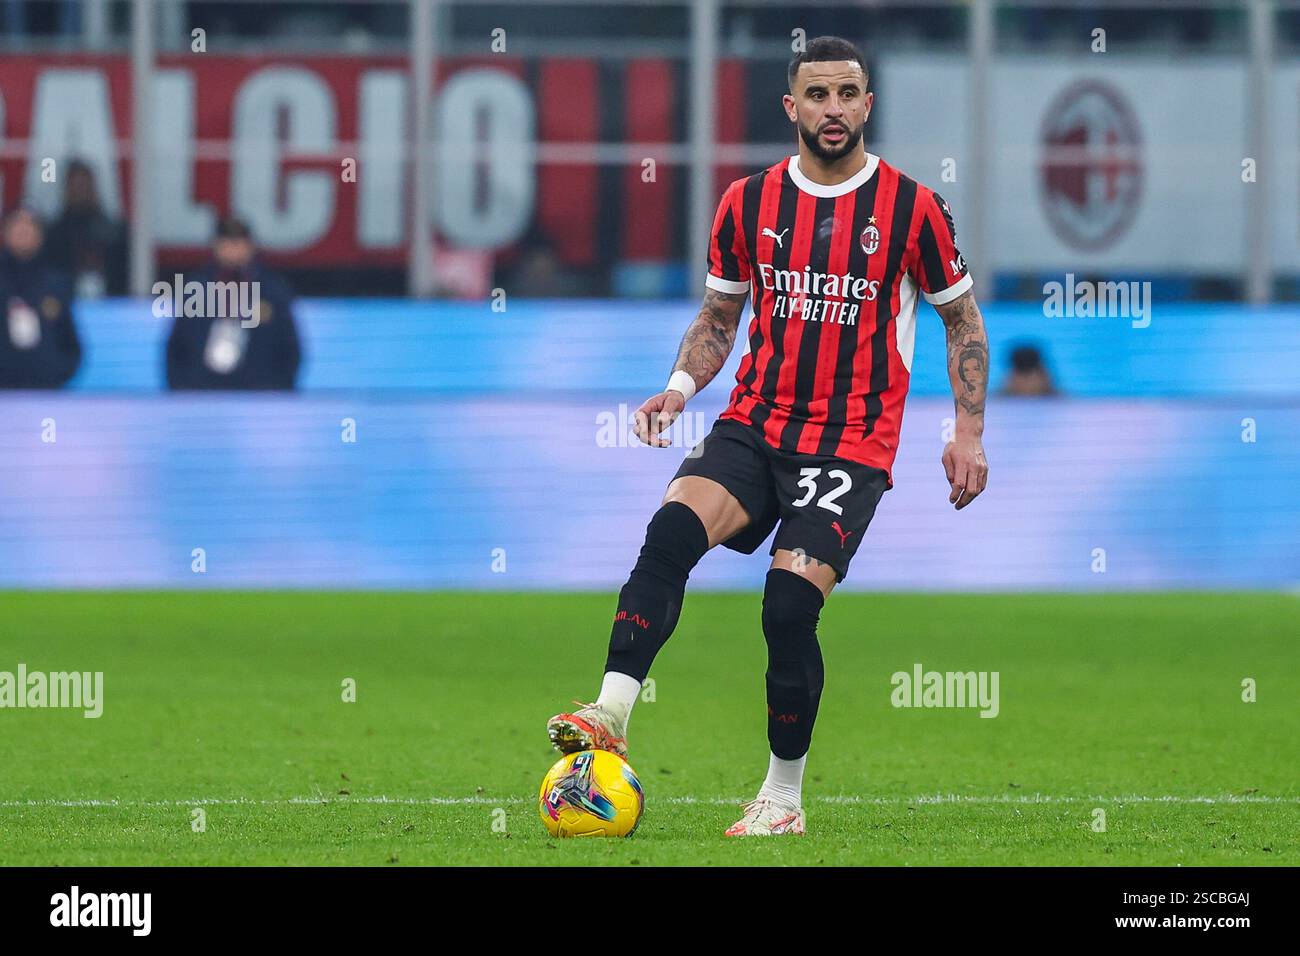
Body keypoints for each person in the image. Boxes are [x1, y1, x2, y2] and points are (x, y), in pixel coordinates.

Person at [545, 37, 991, 836]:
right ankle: (611, 711)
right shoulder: (748, 204)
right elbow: (720, 318)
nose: (832, 109)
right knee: (670, 532)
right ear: (791, 107)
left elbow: (961, 316)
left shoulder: (912, 208)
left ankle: (782, 799)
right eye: (815, 95)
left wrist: (968, 431)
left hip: (851, 441)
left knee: (787, 608)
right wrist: (680, 389)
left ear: (867, 104)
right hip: (757, 422)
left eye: (846, 94)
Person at [166, 216, 302, 390]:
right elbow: (177, 346)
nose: (232, 250)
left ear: (250, 247)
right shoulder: (196, 288)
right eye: (226, 243)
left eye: (238, 243)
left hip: (258, 392)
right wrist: (181, 389)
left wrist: (278, 390)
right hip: (202, 391)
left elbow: (289, 347)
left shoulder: (272, 290)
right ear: (216, 246)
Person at [0, 206, 82, 388]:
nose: (24, 230)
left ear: (41, 235)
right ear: (5, 232)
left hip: (45, 391)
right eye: (17, 224)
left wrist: (56, 372)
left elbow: (70, 342)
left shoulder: (57, 284)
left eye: (31, 225)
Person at [43, 159, 128, 298]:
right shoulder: (53, 235)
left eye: (84, 184)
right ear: (66, 189)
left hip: (111, 306)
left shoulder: (116, 233)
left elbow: (126, 277)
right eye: (75, 185)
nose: (80, 190)